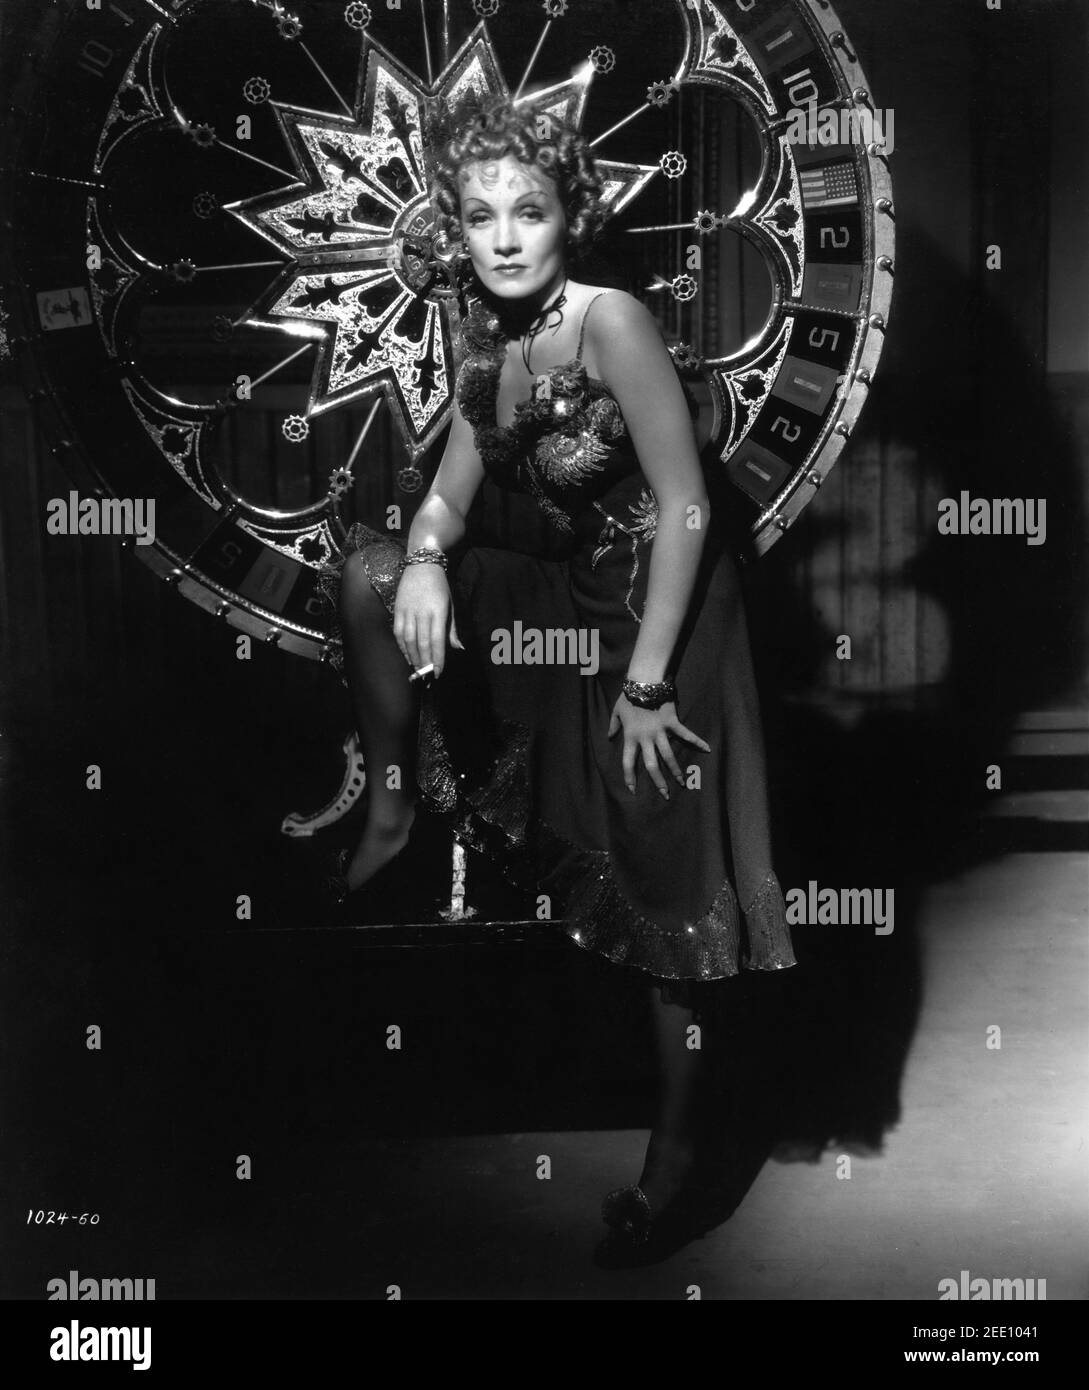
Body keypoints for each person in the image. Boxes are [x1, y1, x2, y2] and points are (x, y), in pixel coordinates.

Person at [317, 95, 796, 1264]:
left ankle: (678, 1165)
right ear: (456, 230)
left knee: (663, 889)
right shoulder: (489, 345)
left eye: (527, 209)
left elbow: (687, 504)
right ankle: (391, 799)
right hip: (574, 594)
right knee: (372, 571)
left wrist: (645, 684)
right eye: (480, 215)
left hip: (669, 618)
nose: (504, 235)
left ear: (568, 214)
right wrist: (429, 558)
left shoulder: (611, 320)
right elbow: (441, 498)